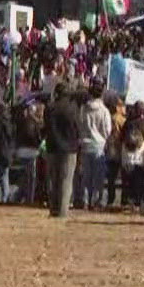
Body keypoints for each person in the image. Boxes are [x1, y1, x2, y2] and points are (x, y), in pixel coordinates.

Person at [45, 83, 85, 219]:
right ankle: (62, 211)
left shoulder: (50, 108)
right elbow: (77, 127)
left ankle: (53, 209)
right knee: (66, 180)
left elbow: (46, 127)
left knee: (54, 180)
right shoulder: (72, 108)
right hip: (69, 148)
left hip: (52, 147)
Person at [80, 89, 112, 212]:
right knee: (98, 177)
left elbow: (80, 125)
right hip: (99, 145)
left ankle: (85, 200)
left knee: (86, 176)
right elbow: (107, 130)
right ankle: (97, 200)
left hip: (86, 144)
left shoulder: (83, 109)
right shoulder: (104, 111)